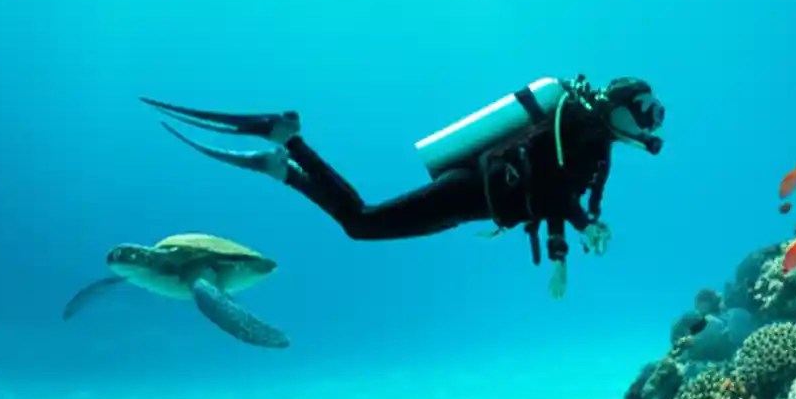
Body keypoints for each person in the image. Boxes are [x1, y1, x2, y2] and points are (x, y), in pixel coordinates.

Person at [139, 75, 664, 298]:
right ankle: (292, 146)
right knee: (361, 224)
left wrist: (563, 253)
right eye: (645, 115)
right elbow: (553, 190)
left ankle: (286, 164)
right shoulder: (583, 132)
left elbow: (554, 192)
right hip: (465, 194)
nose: (649, 127)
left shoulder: (590, 136)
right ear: (619, 109)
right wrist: (578, 230)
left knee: (361, 224)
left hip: (472, 198)